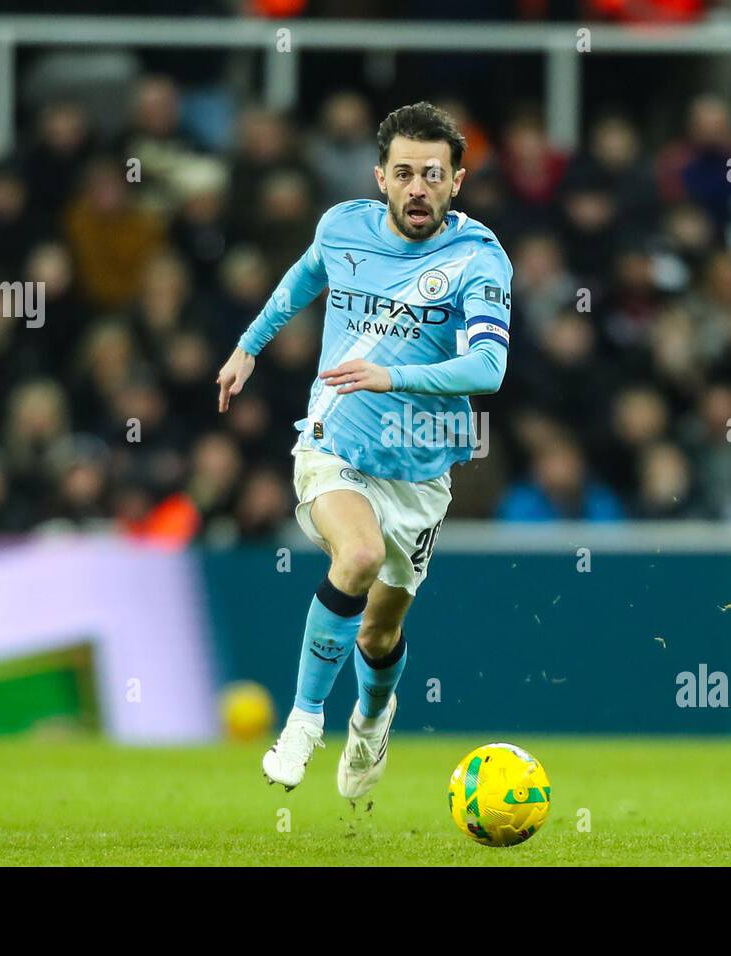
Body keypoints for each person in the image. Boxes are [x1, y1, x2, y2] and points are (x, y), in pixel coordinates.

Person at [215, 102, 513, 798]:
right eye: (404, 173)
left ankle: (372, 720)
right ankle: (302, 721)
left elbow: (488, 369)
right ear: (380, 176)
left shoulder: (480, 259)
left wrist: (393, 374)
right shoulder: (342, 226)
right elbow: (303, 279)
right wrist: (247, 348)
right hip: (334, 443)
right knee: (356, 556)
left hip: (420, 469)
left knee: (379, 637)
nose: (417, 188)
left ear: (457, 182)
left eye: (432, 175)